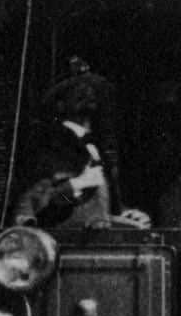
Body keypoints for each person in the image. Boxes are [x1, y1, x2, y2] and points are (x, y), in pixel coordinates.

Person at [15, 62, 120, 229]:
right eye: (77, 88)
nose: (87, 91)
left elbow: (103, 201)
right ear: (60, 104)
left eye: (91, 87)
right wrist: (75, 185)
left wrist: (124, 216)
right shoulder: (51, 144)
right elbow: (36, 202)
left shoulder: (99, 146)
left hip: (98, 237)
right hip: (63, 237)